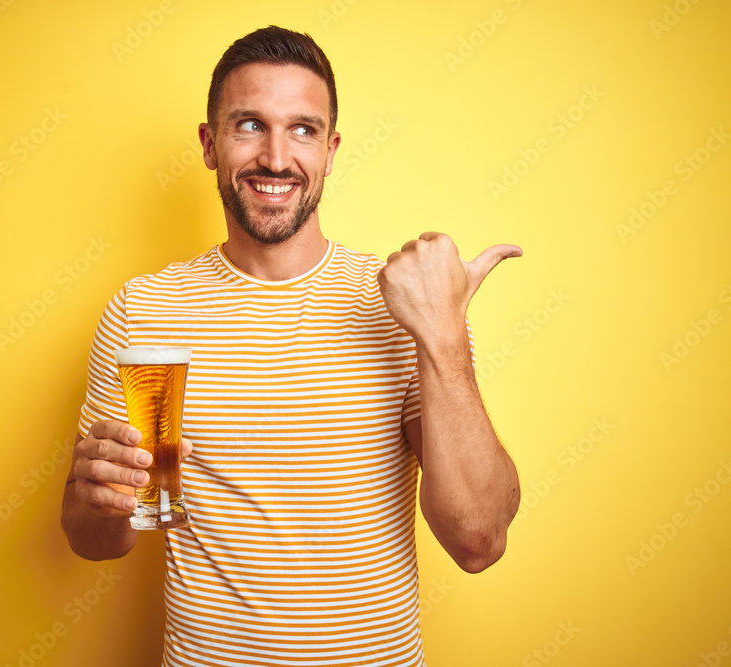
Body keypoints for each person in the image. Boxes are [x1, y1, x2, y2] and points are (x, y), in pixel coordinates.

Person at [61, 25, 521, 667]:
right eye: (249, 124)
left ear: (330, 150)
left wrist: (442, 334)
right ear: (209, 143)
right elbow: (101, 539)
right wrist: (97, 498)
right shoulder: (147, 310)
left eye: (302, 129)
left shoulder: (403, 306)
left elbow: (479, 540)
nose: (276, 158)